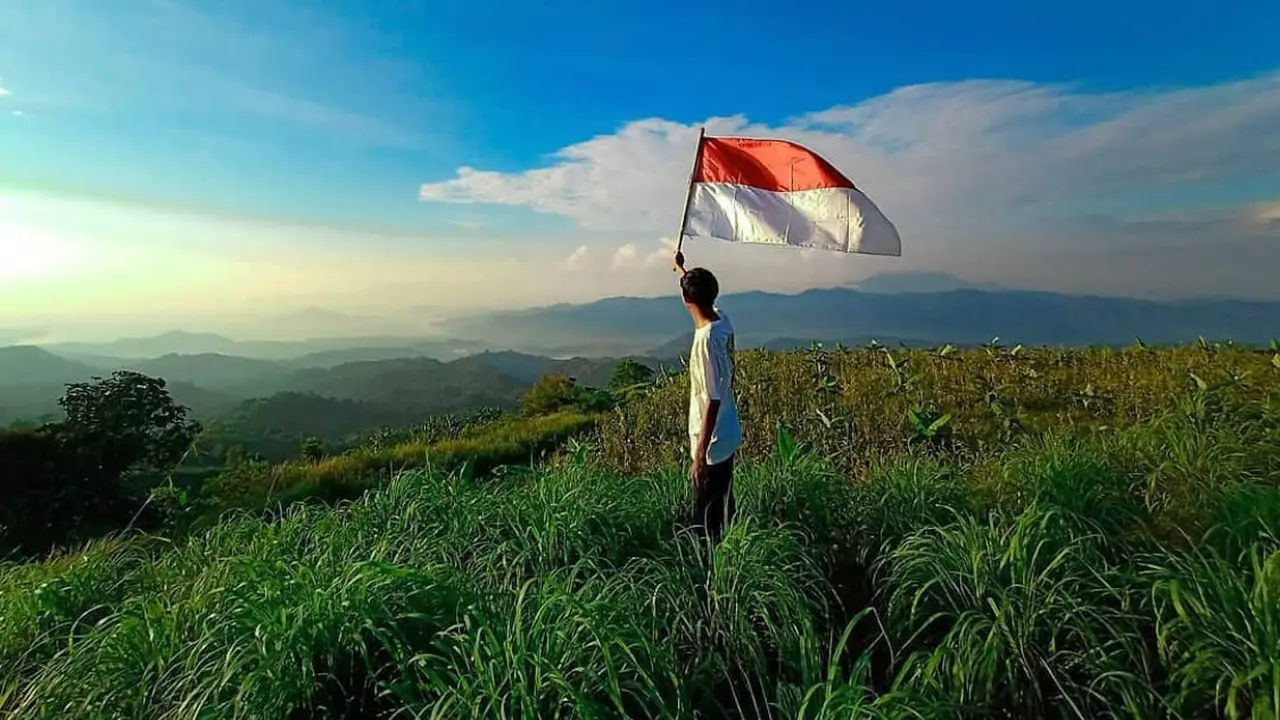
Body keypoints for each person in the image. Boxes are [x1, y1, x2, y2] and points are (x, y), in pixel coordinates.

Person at [673, 250, 742, 543]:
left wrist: (699, 455)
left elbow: (711, 399)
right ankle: (734, 545)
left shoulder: (706, 342)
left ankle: (710, 571)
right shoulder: (722, 321)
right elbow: (699, 303)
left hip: (711, 441)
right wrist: (681, 270)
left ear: (687, 302)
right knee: (724, 501)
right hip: (727, 431)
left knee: (705, 518)